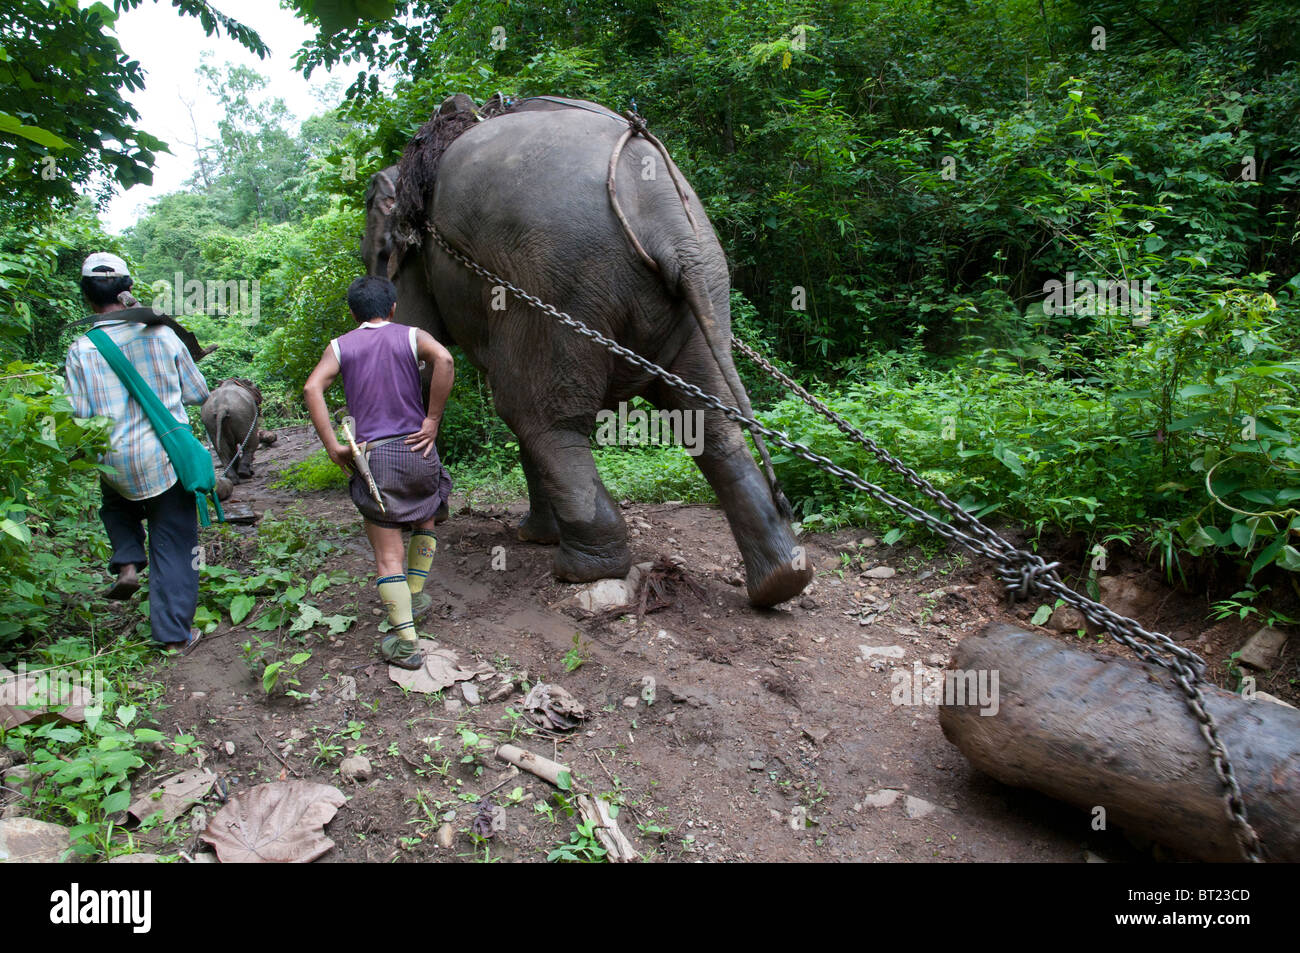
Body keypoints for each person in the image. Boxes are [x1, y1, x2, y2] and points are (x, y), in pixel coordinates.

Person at [303, 276, 455, 669]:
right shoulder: (411, 335)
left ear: (353, 313)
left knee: (389, 557)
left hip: (377, 459)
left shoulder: (341, 345)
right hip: (419, 450)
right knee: (425, 521)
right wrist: (432, 420)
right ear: (392, 308)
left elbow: (312, 389)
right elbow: (446, 359)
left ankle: (406, 645)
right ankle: (416, 595)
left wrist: (332, 445)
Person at [64, 253, 210, 654]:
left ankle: (127, 560)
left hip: (115, 463)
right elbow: (199, 395)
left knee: (114, 504)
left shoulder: (81, 349)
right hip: (164, 461)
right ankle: (174, 635)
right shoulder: (162, 336)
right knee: (177, 546)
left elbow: (78, 417)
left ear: (87, 298)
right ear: (128, 290)